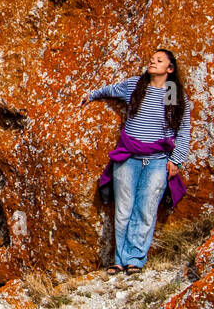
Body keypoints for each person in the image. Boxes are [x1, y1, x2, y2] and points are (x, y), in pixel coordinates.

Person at [80, 48, 192, 273]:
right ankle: (119, 260)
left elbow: (181, 128)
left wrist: (176, 160)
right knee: (123, 210)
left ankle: (135, 260)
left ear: (169, 69)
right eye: (152, 59)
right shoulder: (135, 85)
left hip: (157, 160)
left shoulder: (172, 92)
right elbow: (111, 90)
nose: (153, 62)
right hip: (129, 157)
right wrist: (91, 95)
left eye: (159, 61)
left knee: (145, 209)